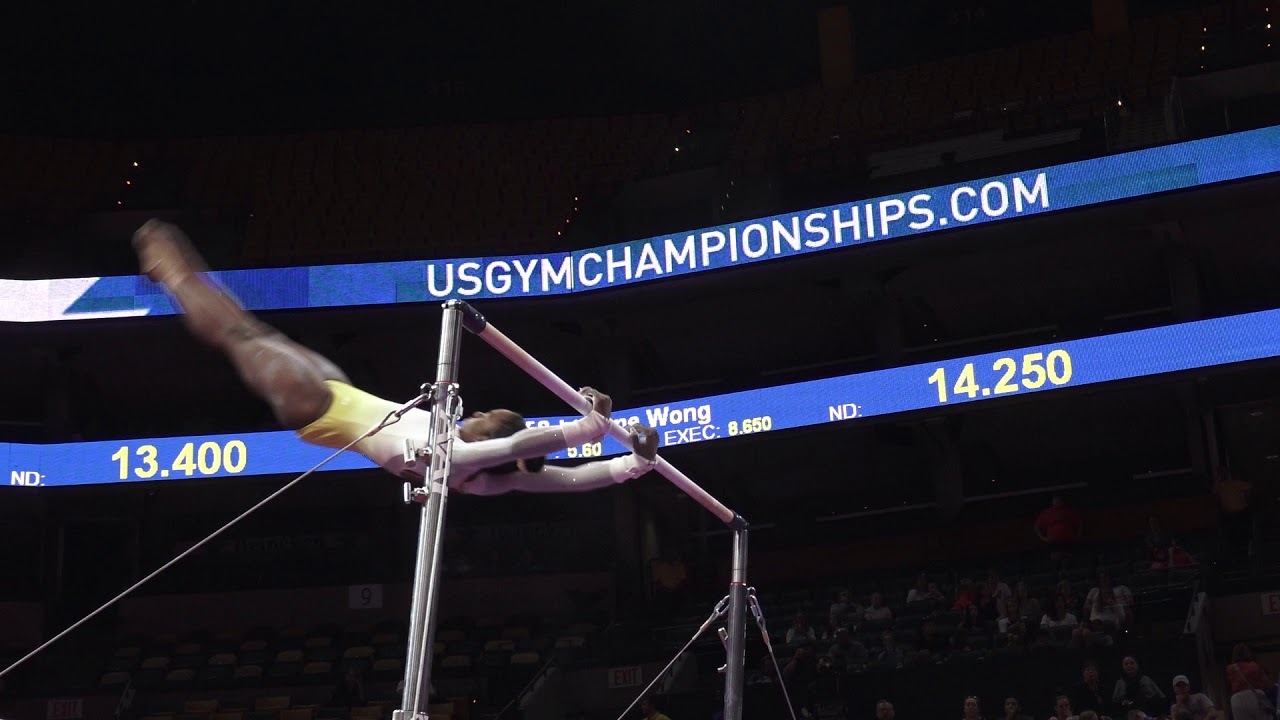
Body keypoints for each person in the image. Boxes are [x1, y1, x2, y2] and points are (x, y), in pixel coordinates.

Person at [131, 220, 660, 493]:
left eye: (481, 422)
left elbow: (529, 449)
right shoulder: (486, 463)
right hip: (337, 392)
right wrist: (639, 461)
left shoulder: (464, 467)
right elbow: (576, 479)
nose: (473, 416)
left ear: (491, 445)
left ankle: (175, 277)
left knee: (240, 337)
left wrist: (583, 431)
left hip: (315, 410)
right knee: (248, 330)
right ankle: (178, 278)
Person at [1227, 644, 1274, 720]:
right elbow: (1267, 682)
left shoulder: (1230, 668)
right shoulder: (1254, 665)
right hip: (1254, 695)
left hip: (1236, 699)